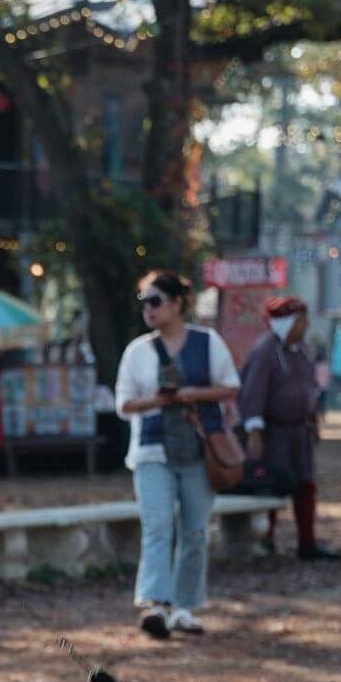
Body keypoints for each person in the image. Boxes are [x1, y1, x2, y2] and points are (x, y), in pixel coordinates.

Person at [114, 268, 241, 639]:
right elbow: (124, 404)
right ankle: (155, 603)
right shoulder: (137, 352)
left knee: (195, 530)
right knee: (156, 525)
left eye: (155, 302)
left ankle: (184, 605)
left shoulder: (208, 342)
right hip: (153, 448)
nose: (149, 310)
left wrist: (190, 395)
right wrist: (158, 400)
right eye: (144, 303)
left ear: (177, 304)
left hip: (201, 448)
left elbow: (230, 386)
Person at [239, 295, 341, 562]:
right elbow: (252, 392)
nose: (306, 325)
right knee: (271, 484)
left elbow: (310, 389)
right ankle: (265, 541)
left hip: (300, 431)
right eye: (301, 320)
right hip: (274, 433)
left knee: (306, 485)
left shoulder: (304, 351)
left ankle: (307, 543)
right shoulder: (264, 351)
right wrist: (254, 431)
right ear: (288, 322)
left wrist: (313, 420)